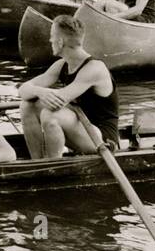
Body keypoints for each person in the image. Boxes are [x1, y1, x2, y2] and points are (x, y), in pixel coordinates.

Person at [18, 14, 120, 158]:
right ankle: (38, 161)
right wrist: (38, 91)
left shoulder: (94, 68)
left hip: (102, 139)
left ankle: (54, 169)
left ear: (60, 42)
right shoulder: (61, 65)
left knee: (50, 114)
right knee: (27, 105)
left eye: (52, 36)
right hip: (80, 126)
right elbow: (23, 90)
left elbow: (57, 102)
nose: (50, 40)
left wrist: (40, 92)